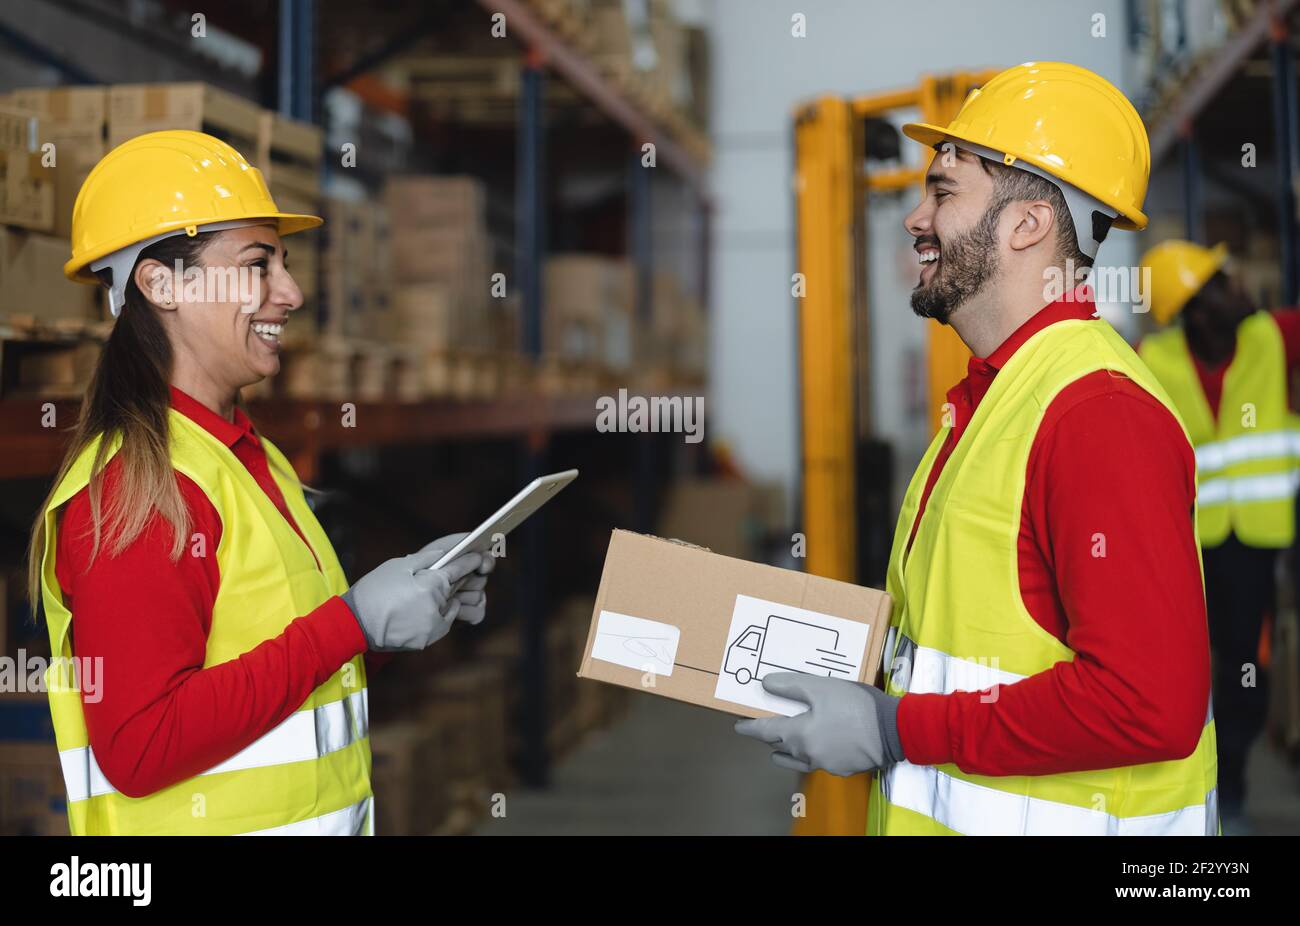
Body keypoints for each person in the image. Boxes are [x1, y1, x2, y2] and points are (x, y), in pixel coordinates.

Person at [735, 62, 1219, 835]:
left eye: (944, 191)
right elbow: (961, 640)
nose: (914, 217)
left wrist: (895, 729)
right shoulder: (988, 403)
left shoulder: (1096, 415)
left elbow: (1149, 705)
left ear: (1027, 224)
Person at [27, 130, 492, 835]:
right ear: (161, 284)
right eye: (256, 264)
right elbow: (140, 746)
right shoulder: (136, 491)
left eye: (283, 263)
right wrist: (354, 622)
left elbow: (276, 646)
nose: (292, 292)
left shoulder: (248, 455)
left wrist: (405, 598)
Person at [1137, 240, 1300, 831]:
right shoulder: (1152, 360)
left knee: (1242, 670)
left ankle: (1228, 784)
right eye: (1223, 283)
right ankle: (1178, 793)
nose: (1240, 290)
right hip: (1182, 544)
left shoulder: (1272, 337)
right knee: (1172, 668)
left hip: (1252, 543)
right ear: (1198, 308)